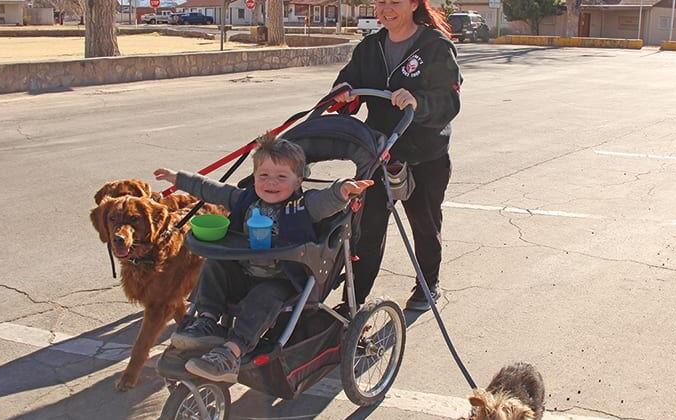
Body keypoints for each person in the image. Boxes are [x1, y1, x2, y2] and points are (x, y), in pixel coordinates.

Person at [153, 137, 373, 382]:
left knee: (264, 296)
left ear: (299, 180)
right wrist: (178, 178)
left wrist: (343, 190)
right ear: (254, 176)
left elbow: (326, 200)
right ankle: (205, 322)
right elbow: (212, 189)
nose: (271, 182)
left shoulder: (303, 205)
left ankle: (232, 352)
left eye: (282, 177)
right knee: (215, 264)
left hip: (282, 279)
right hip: (245, 271)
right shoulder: (245, 200)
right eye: (264, 175)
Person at [331, 0, 462, 311]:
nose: (385, 9)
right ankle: (353, 303)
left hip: (425, 157)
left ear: (414, 3)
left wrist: (418, 102)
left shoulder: (435, 47)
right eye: (380, 2)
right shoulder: (370, 47)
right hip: (379, 154)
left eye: (394, 2)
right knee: (367, 230)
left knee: (424, 225)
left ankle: (428, 284)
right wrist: (344, 93)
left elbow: (449, 102)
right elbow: (346, 83)